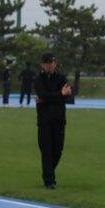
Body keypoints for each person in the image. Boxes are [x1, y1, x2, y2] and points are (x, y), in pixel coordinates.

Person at [33, 52, 72, 189]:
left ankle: (48, 173)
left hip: (59, 119)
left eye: (51, 62)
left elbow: (68, 97)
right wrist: (59, 95)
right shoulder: (39, 80)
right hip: (44, 121)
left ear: (55, 63)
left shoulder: (61, 78)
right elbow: (43, 94)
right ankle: (49, 180)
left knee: (58, 150)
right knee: (46, 150)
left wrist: (51, 98)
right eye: (46, 62)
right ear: (42, 65)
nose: (49, 65)